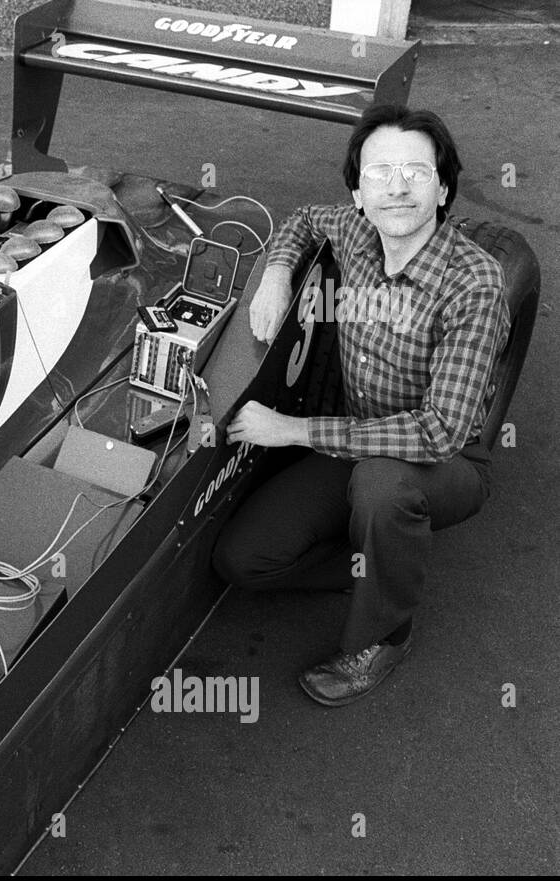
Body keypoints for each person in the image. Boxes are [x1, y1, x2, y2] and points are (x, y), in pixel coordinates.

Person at [212, 103, 511, 707]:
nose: (396, 186)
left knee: (382, 488)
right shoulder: (353, 228)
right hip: (356, 434)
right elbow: (300, 220)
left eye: (416, 171)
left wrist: (293, 430)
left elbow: (437, 432)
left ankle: (386, 632)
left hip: (447, 460)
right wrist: (275, 275)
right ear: (357, 190)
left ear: (443, 186)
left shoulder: (475, 283)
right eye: (379, 172)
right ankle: (381, 565)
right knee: (245, 561)